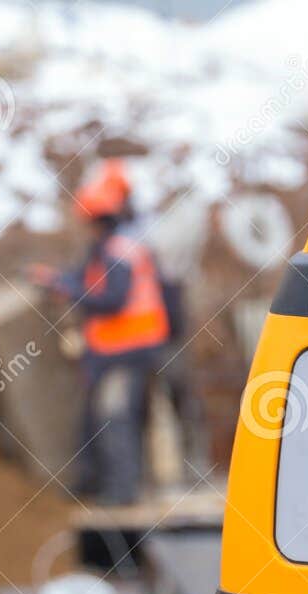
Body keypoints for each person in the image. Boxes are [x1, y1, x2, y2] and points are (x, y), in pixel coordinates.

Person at [28, 172, 172, 505]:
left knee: (115, 415)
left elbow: (112, 300)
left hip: (129, 349)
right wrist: (56, 281)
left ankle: (123, 492)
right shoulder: (104, 249)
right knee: (94, 417)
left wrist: (70, 292)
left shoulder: (119, 252)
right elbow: (80, 278)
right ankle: (90, 482)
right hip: (112, 350)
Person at [87, 159, 210, 478]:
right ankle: (144, 477)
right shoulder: (121, 235)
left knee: (180, 396)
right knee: (136, 407)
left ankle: (194, 468)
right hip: (140, 338)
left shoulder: (154, 229)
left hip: (168, 330)